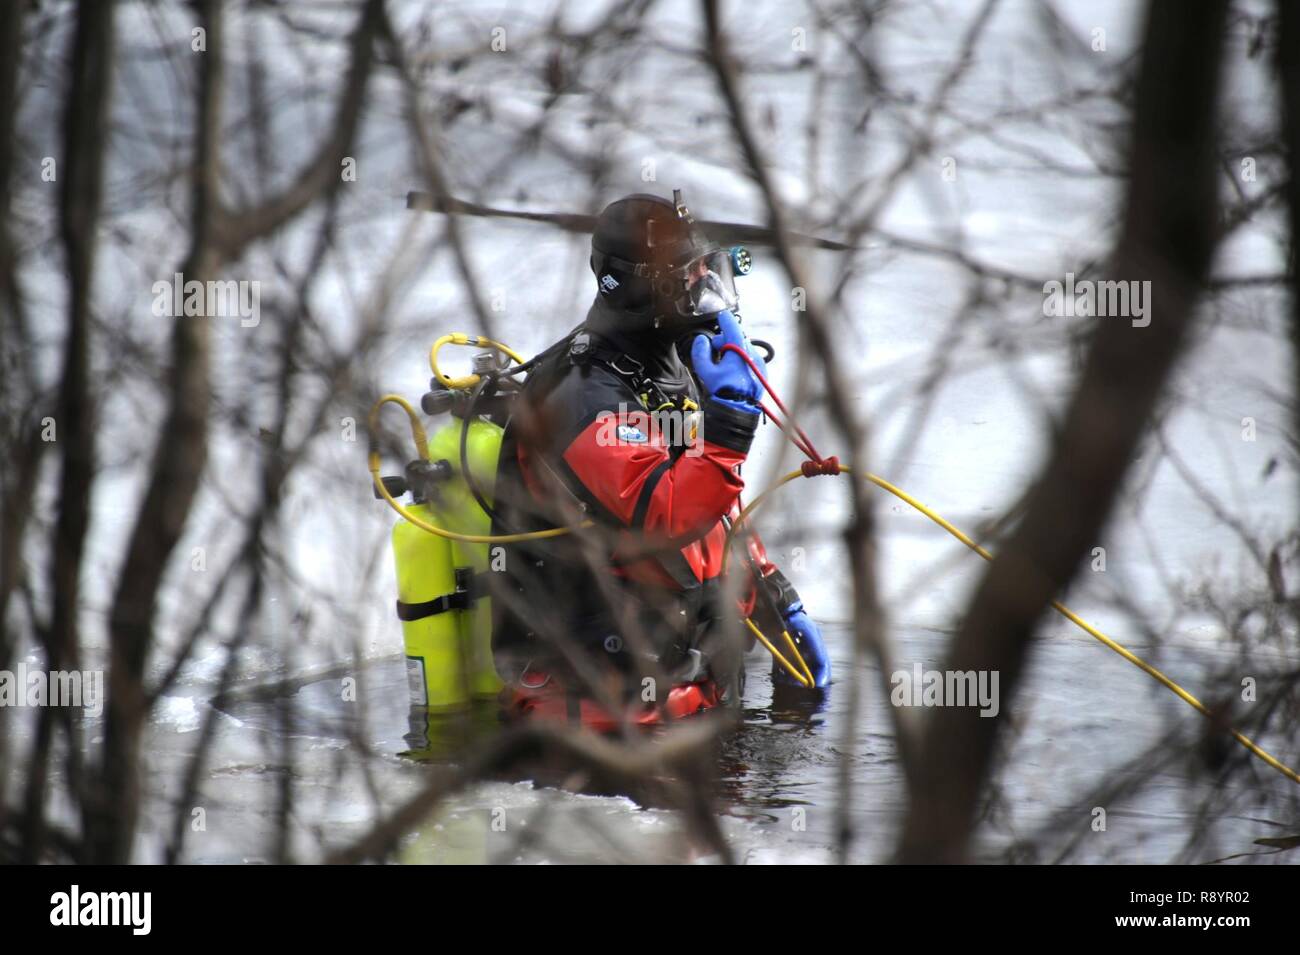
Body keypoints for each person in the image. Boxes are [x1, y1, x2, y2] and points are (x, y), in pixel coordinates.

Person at [490, 190, 829, 710]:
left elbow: (716, 509)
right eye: (690, 280)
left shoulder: (669, 367)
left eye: (713, 274)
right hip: (599, 726)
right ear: (638, 290)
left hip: (684, 687)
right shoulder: (583, 397)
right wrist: (730, 427)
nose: (710, 295)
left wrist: (775, 596)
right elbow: (668, 512)